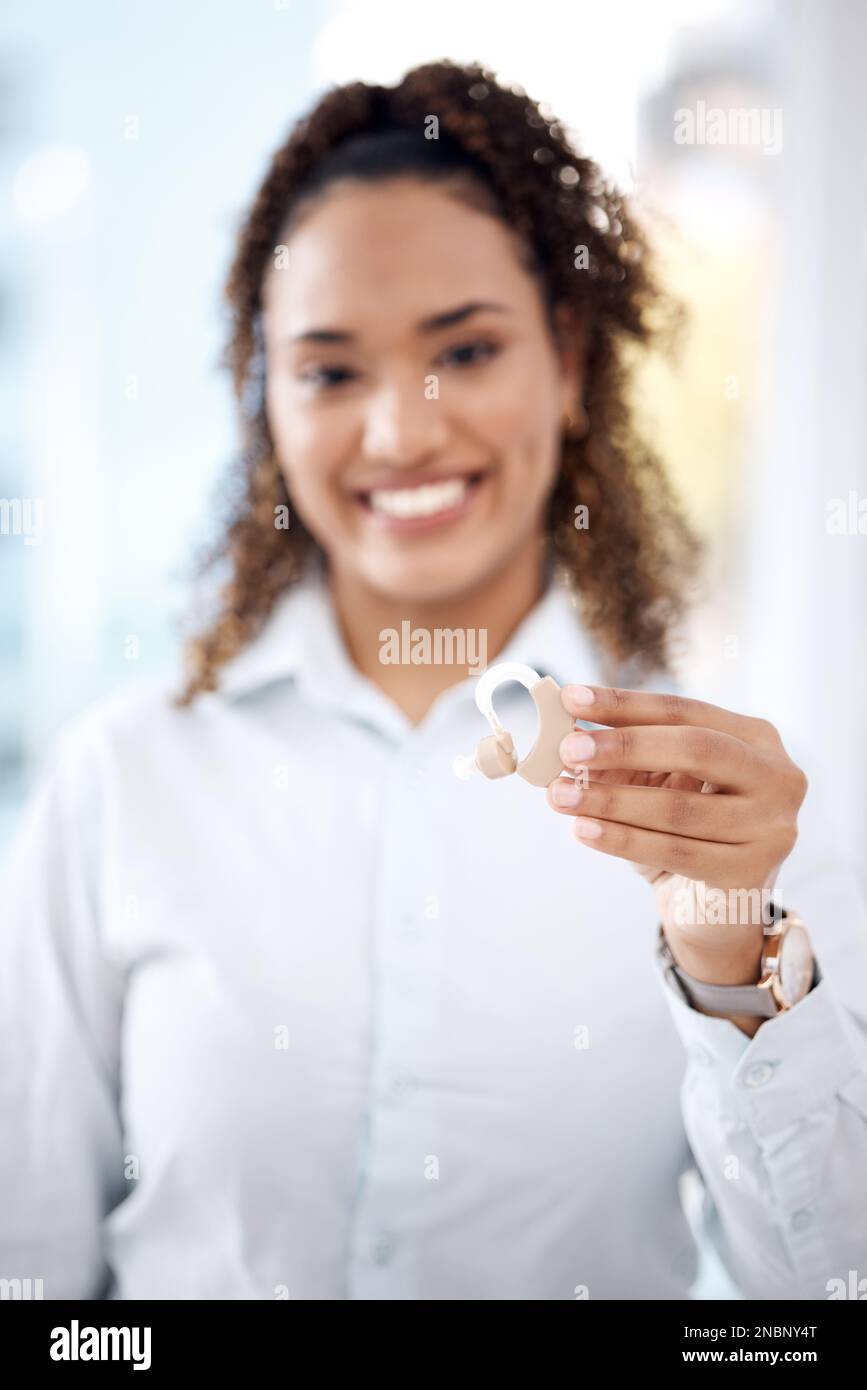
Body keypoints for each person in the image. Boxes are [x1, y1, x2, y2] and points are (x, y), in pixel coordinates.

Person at [2, 60, 866, 1302]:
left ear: (569, 360)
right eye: (331, 369)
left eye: (464, 349)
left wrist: (730, 957)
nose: (402, 432)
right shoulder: (120, 782)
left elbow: (819, 1295)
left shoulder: (728, 805)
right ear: (269, 399)